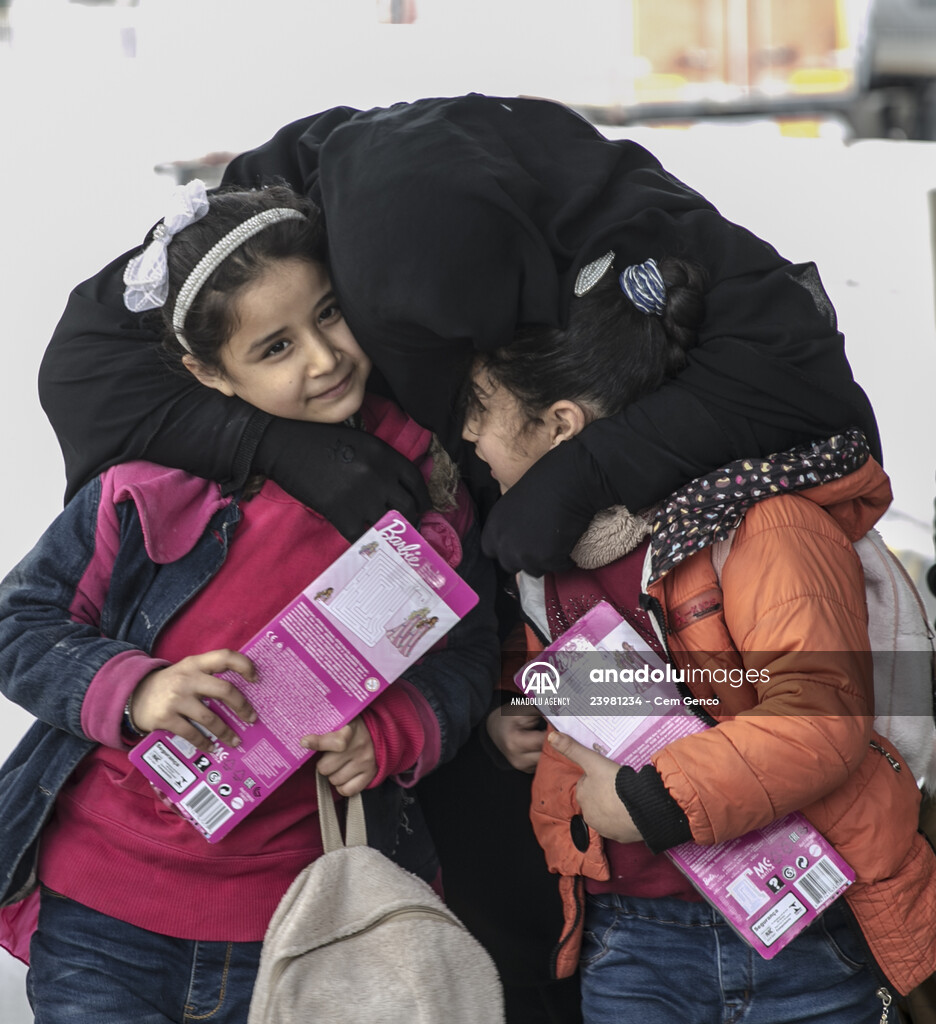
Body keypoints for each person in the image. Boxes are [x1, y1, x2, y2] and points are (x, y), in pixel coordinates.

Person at [0, 181, 498, 1024]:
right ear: (208, 373)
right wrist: (138, 688)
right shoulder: (150, 487)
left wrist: (397, 731)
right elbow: (18, 625)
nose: (322, 358)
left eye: (330, 314)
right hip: (102, 915)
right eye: (274, 348)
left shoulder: (424, 485)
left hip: (312, 924)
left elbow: (471, 658)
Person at [39, 93, 879, 574]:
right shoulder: (280, 226)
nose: (330, 356)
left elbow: (802, 378)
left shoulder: (605, 212)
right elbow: (85, 366)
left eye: (335, 319)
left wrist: (575, 479)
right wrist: (289, 450)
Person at [460, 251, 936, 1023]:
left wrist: (650, 802)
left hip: (807, 933)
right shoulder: (548, 565)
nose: (469, 434)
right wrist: (522, 719)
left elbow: (820, 716)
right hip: (631, 935)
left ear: (559, 425)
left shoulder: (767, 524)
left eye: (480, 407)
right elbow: (568, 679)